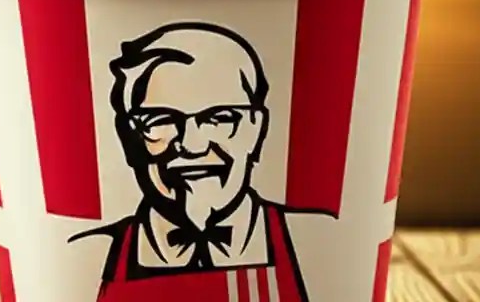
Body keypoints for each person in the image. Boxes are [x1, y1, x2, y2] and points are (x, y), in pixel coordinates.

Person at [72, 22, 311, 301]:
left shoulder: (312, 237)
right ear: (127, 137)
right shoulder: (89, 254)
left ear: (256, 129)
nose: (192, 145)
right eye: (160, 120)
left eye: (220, 118)